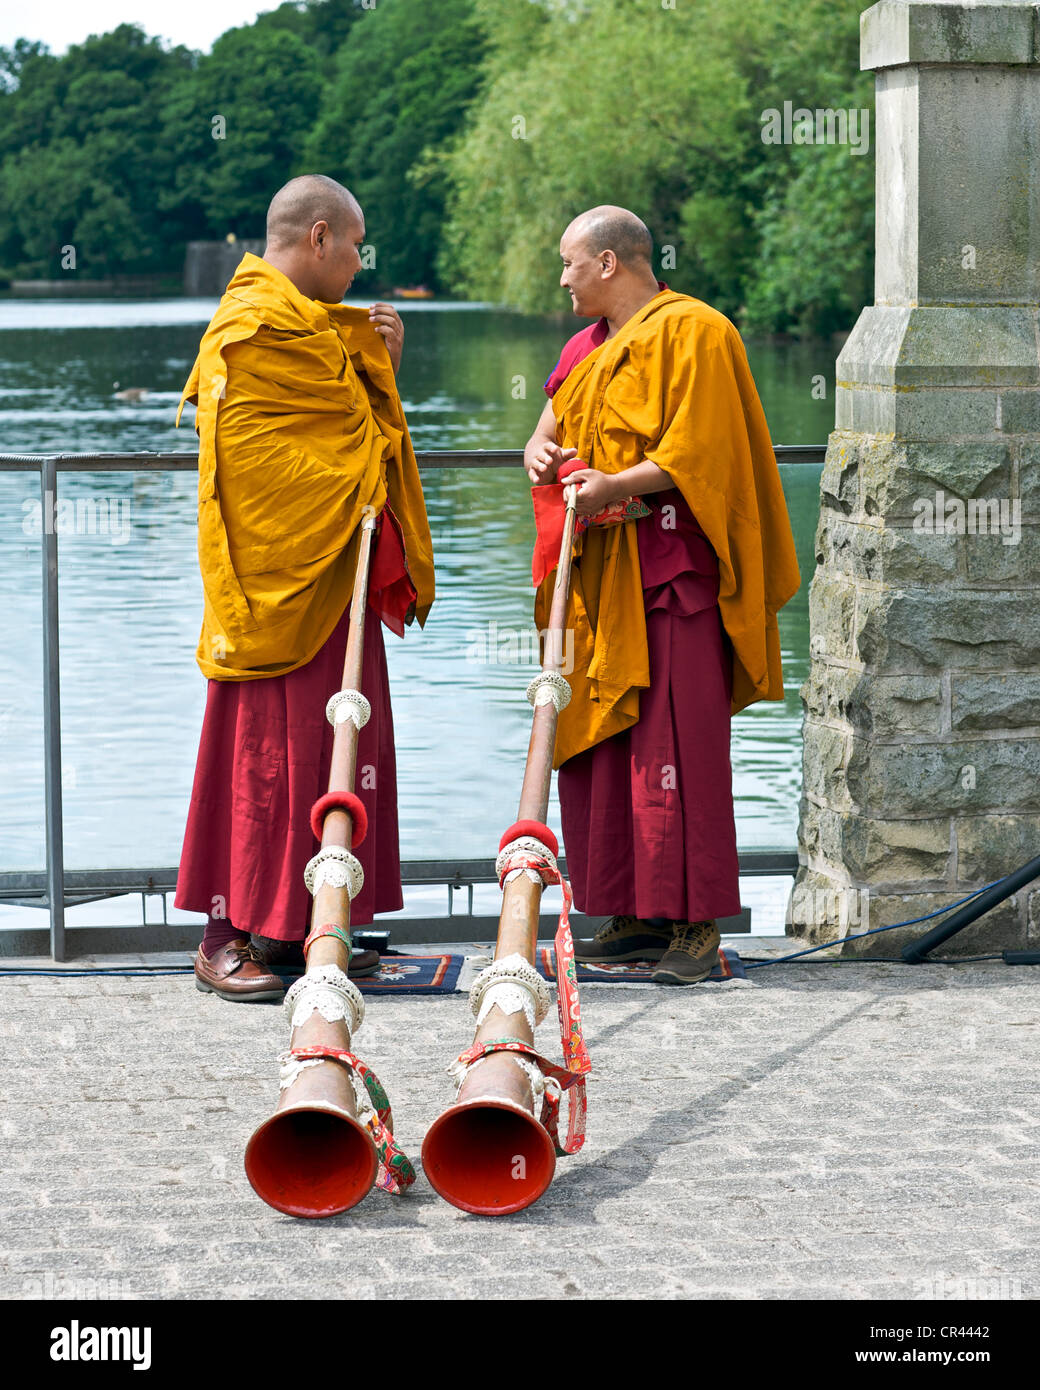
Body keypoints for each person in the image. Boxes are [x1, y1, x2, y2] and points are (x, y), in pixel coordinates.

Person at [174, 174, 434, 1002]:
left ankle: (307, 926)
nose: (361, 263)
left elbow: (357, 437)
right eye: (355, 245)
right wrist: (371, 398)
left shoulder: (319, 332)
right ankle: (226, 934)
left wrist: (381, 371)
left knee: (334, 753)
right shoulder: (252, 328)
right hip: (277, 583)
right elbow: (263, 470)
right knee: (262, 759)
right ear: (318, 237)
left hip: (335, 579)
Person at [525, 205, 799, 984]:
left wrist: (617, 482)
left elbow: (701, 447)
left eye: (571, 263)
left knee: (677, 745)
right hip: (600, 572)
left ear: (610, 263)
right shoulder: (586, 345)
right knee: (607, 747)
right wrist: (536, 449)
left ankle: (694, 928)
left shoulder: (698, 331)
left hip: (671, 569)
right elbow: (548, 423)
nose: (564, 277)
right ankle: (633, 914)